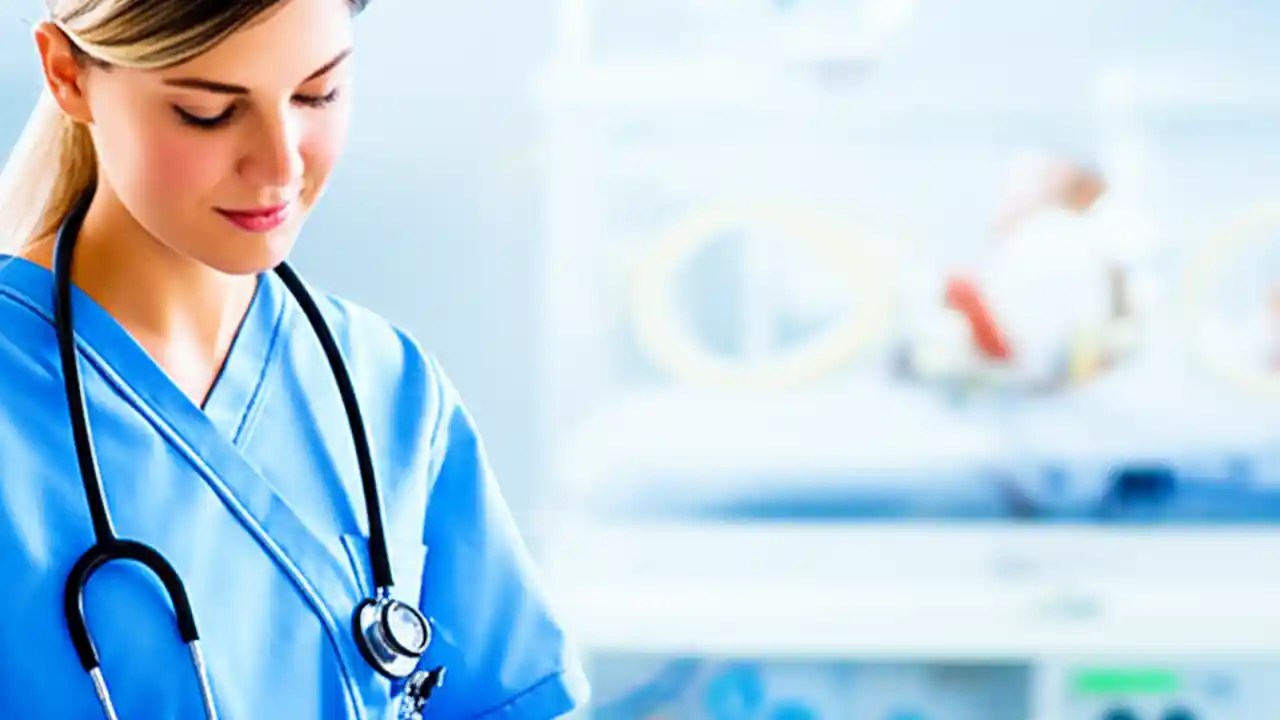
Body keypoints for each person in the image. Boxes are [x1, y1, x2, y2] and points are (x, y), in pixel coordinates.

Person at [0, 1, 590, 718]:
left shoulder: (387, 388)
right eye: (207, 112)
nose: (280, 165)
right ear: (67, 74)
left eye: (319, 94)